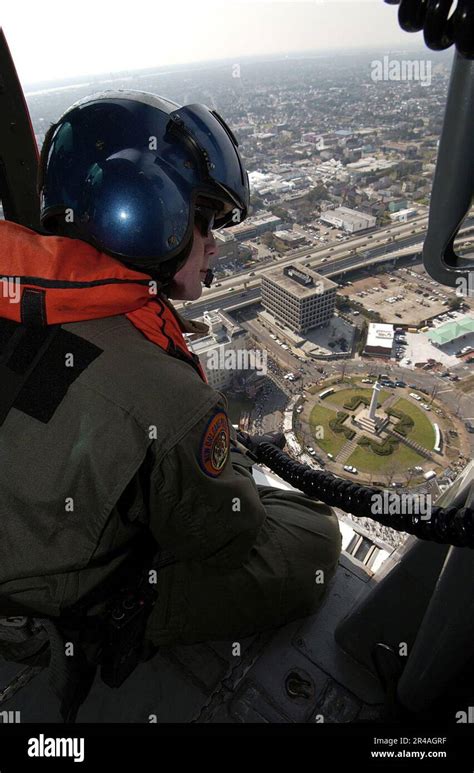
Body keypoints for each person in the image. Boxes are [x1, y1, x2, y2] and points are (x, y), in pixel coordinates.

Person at [0, 90, 341, 717]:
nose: (213, 243)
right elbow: (230, 536)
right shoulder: (166, 390)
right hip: (34, 602)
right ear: (143, 215)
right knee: (312, 538)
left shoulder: (23, 293)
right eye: (203, 221)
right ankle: (107, 627)